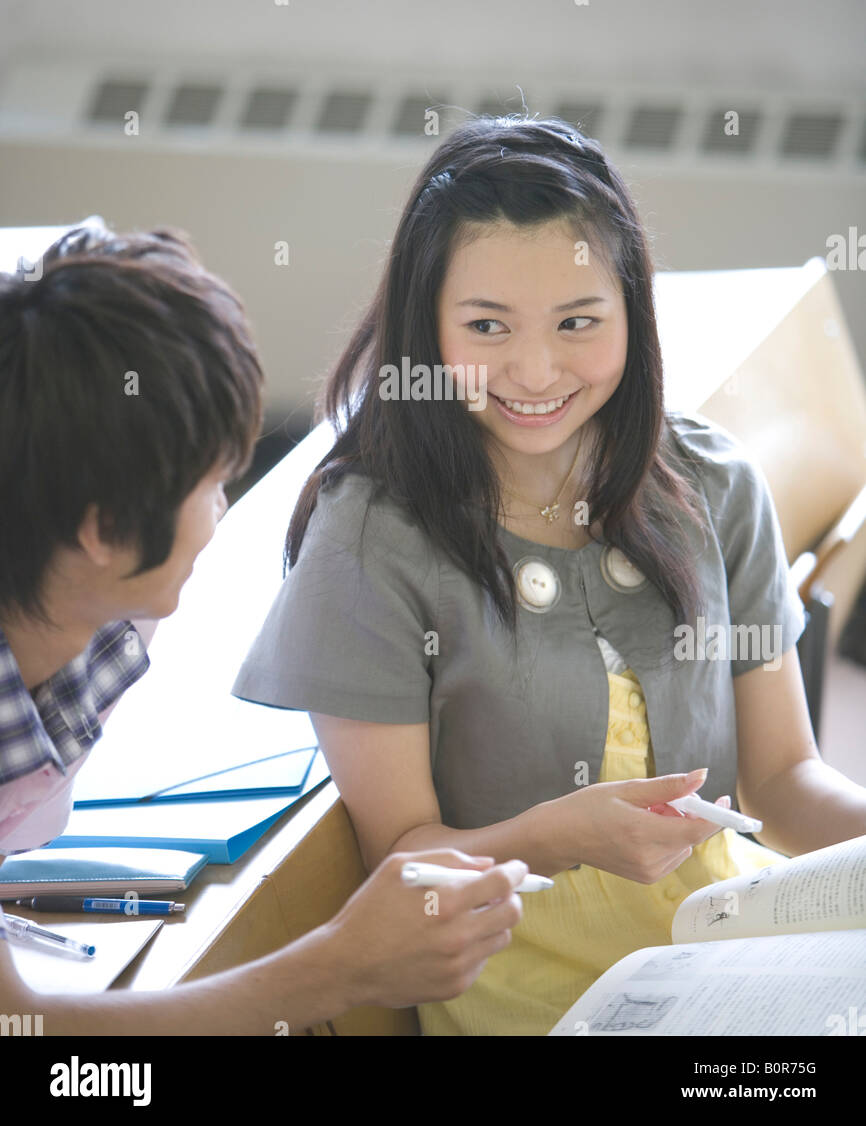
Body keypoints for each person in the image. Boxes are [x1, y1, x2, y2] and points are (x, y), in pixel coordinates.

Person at [232, 115, 866, 1035]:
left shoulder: (711, 483)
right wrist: (553, 837)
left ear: (633, 312)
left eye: (578, 323)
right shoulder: (370, 540)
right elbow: (405, 867)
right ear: (427, 324)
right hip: (531, 996)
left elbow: (782, 778)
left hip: (727, 959)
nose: (534, 369)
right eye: (487, 326)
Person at [0, 223, 526, 1037]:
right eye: (212, 486)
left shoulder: (88, 605)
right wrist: (341, 967)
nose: (223, 515)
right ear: (102, 532)